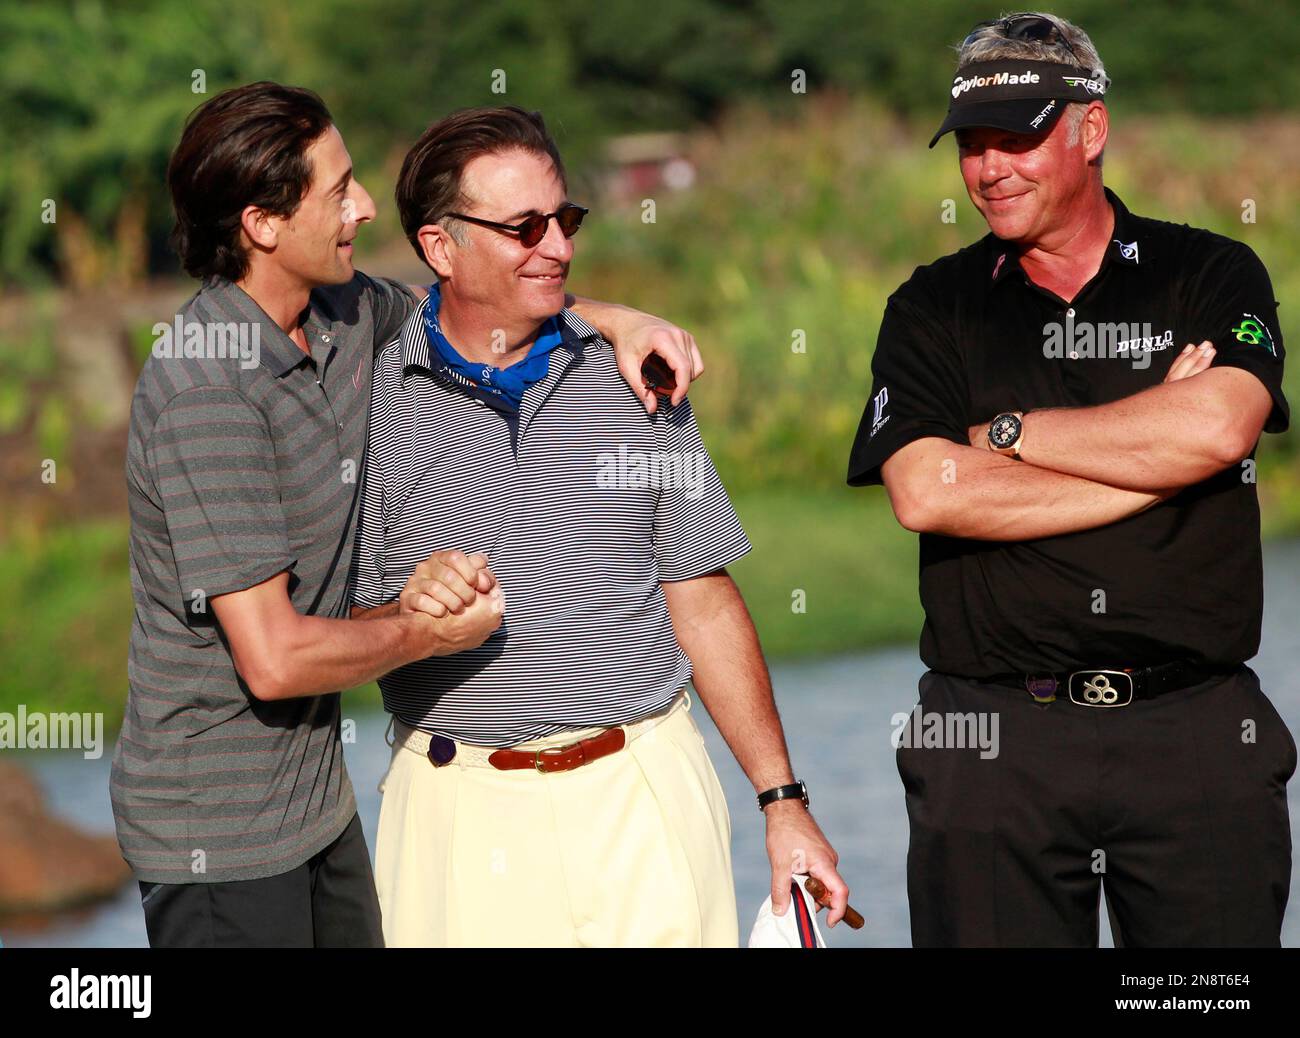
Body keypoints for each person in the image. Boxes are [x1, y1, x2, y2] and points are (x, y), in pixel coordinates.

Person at [110, 81, 708, 948]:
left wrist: (621, 319)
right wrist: (430, 632)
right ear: (263, 224)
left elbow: (482, 296)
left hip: (319, 812)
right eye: (337, 191)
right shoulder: (207, 393)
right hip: (219, 837)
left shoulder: (343, 311)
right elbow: (274, 660)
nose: (362, 207)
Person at [352, 104, 849, 947]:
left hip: (647, 795)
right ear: (441, 247)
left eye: (566, 218)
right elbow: (338, 621)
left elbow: (700, 597)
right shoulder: (367, 398)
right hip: (454, 813)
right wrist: (410, 613)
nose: (558, 246)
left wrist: (783, 803)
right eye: (525, 227)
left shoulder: (642, 376)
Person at [848, 13, 1293, 947]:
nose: (989, 169)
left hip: (1196, 734)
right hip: (990, 740)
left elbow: (1220, 426)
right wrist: (1158, 463)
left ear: (1091, 130)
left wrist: (1007, 436)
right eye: (972, 144)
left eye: (1016, 139)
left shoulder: (1211, 272)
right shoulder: (931, 306)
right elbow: (928, 492)